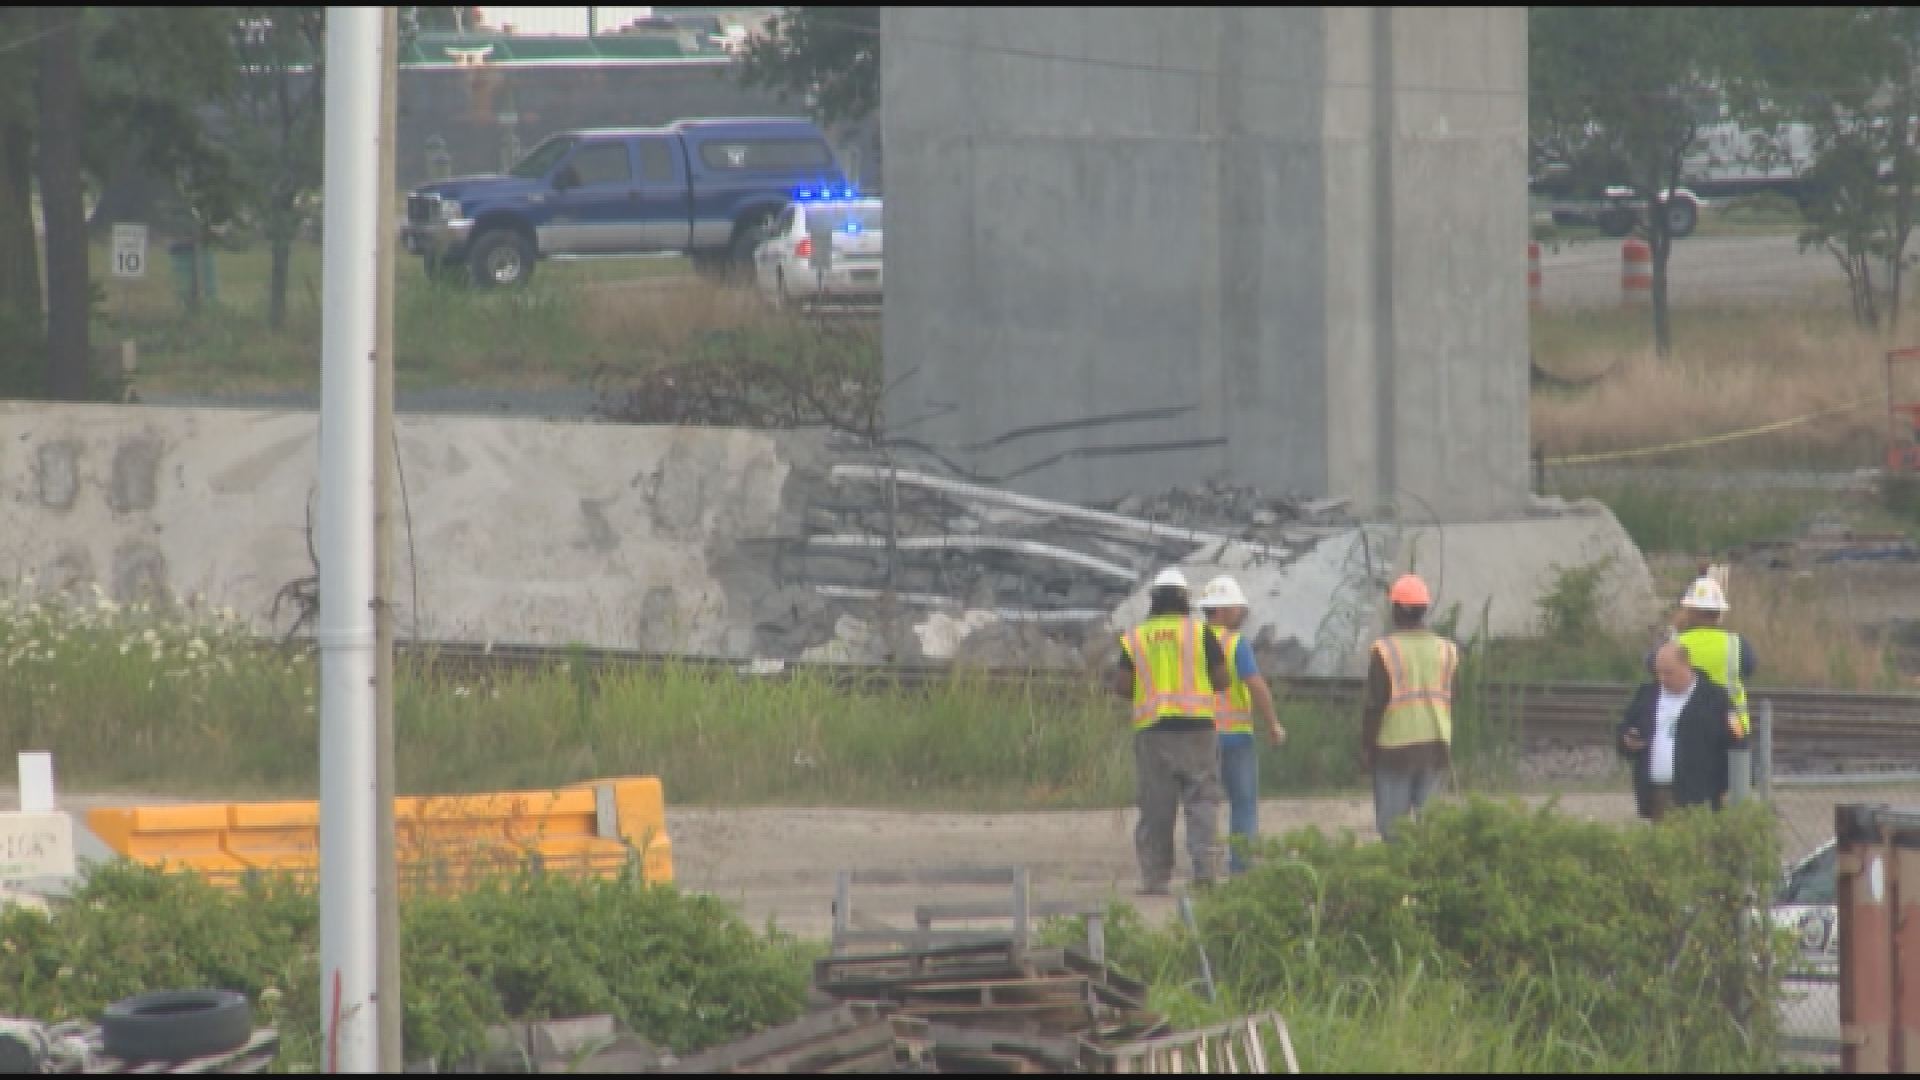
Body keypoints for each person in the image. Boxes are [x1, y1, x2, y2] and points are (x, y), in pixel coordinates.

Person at [1110, 567, 1233, 894]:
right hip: (1198, 731)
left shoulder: (1137, 637)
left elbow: (1122, 686)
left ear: (1154, 600)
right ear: (1184, 600)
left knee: (1156, 805)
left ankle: (1155, 879)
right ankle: (1205, 874)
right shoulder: (1199, 633)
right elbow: (1223, 680)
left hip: (1154, 733)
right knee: (1203, 802)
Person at [1197, 575, 1286, 875]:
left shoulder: (1192, 641)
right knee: (1244, 805)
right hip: (1235, 737)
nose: (1242, 612)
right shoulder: (1235, 643)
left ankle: (1204, 866)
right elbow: (1256, 685)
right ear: (1221, 609)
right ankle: (1241, 867)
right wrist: (1273, 722)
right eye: (1237, 607)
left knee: (1202, 805)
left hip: (1199, 736)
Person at [1360, 574, 1459, 842]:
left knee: (1394, 831)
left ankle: (1399, 880)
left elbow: (1374, 705)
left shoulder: (1385, 650)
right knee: (1431, 832)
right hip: (1436, 747)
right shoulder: (1447, 650)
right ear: (1423, 609)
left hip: (1394, 751)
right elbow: (1453, 696)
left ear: (1396, 610)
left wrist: (1367, 748)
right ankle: (1427, 879)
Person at [1617, 641, 1739, 820]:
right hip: (1659, 794)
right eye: (1658, 672)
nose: (1662, 678)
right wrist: (1627, 740)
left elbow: (1736, 742)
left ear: (1687, 665)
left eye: (1668, 672)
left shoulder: (1715, 698)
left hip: (1701, 796)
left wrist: (1728, 787)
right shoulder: (1647, 695)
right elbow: (1625, 727)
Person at [1665, 576, 1758, 742]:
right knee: (1736, 766)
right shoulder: (1736, 643)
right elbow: (1749, 668)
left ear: (1690, 612)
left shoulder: (1675, 644)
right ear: (1719, 613)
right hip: (1733, 727)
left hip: (1688, 727)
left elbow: (1654, 666)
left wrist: (1674, 629)